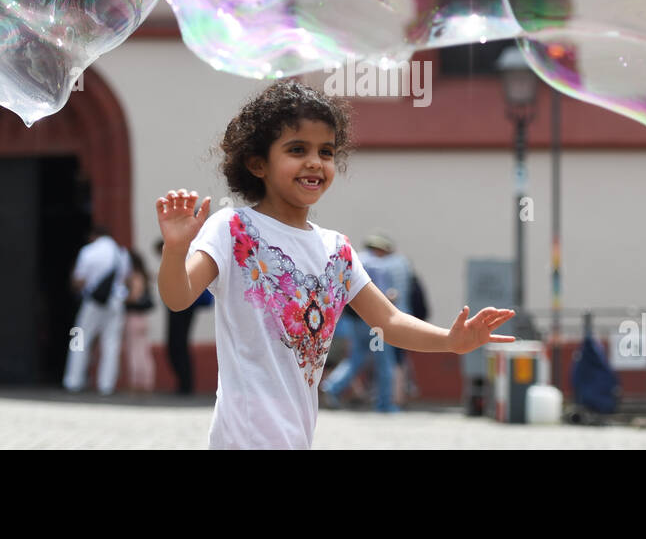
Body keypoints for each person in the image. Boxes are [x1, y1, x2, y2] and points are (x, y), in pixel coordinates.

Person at [156, 79, 516, 449]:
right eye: (297, 149)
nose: (315, 162)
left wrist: (451, 341)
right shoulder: (234, 229)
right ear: (257, 163)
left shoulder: (336, 249)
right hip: (243, 439)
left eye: (326, 152)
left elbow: (388, 321)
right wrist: (175, 250)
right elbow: (178, 297)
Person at [321, 232, 410, 412]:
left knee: (356, 358)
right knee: (384, 360)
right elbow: (379, 297)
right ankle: (385, 403)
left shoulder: (356, 260)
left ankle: (332, 386)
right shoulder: (379, 266)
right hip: (374, 324)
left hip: (355, 322)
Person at [62, 225, 129, 395]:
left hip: (92, 302)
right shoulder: (121, 254)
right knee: (111, 342)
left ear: (94, 236)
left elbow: (79, 281)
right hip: (115, 301)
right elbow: (125, 279)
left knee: (79, 339)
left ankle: (73, 380)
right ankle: (106, 385)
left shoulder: (88, 252)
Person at [158, 237, 210, 395]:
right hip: (185, 300)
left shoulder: (196, 243)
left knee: (177, 344)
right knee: (177, 344)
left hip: (186, 301)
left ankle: (185, 385)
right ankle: (184, 384)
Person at [122, 248, 156, 393]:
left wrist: (122, 299)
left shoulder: (134, 276)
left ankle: (136, 383)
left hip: (134, 318)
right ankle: (147, 382)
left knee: (134, 352)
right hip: (143, 319)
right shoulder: (144, 275)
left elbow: (134, 296)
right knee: (144, 351)